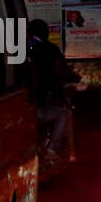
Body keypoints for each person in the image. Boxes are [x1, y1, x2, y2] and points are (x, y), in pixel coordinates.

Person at [27, 18, 80, 163]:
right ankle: (53, 149)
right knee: (64, 113)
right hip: (41, 102)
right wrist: (76, 78)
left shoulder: (22, 48)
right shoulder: (50, 49)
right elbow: (61, 71)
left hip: (24, 102)